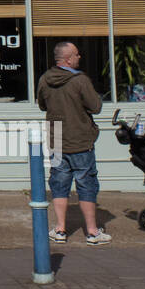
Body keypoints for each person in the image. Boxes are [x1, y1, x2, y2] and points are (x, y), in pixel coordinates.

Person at [38, 41, 111, 245]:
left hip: (58, 139)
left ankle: (60, 229)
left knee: (59, 184)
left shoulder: (45, 79)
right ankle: (92, 232)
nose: (80, 57)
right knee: (86, 184)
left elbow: (42, 105)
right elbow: (95, 107)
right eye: (77, 55)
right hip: (80, 139)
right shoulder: (80, 81)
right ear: (68, 59)